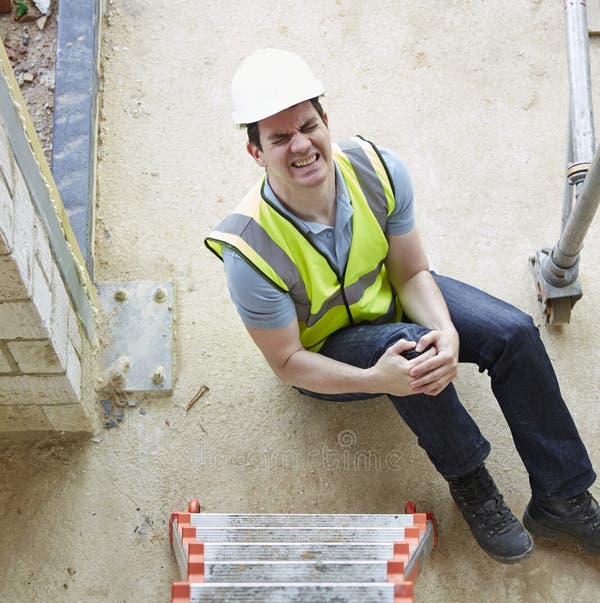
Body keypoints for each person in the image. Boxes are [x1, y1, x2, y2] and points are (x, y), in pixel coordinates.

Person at [206, 48, 600, 563]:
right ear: (256, 152)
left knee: (513, 332)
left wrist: (447, 330)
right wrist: (375, 379)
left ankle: (562, 498)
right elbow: (287, 362)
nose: (301, 145)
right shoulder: (249, 250)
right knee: (410, 351)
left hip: (390, 298)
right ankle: (472, 482)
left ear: (326, 121)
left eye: (308, 126)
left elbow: (411, 272)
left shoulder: (378, 171)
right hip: (326, 353)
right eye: (279, 138)